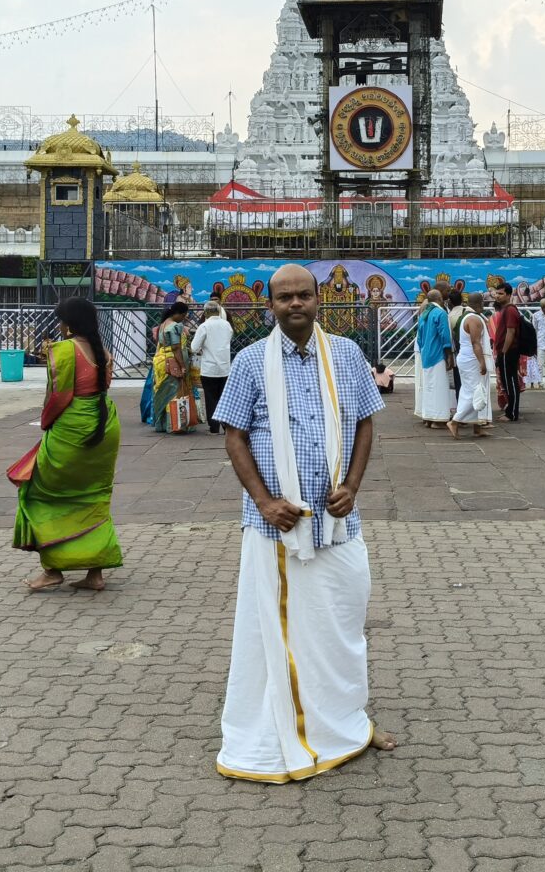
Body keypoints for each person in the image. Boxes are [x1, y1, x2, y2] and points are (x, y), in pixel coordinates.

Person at [213, 264, 394, 781]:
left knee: (342, 623)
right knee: (278, 631)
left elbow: (364, 421)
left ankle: (348, 722)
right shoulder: (250, 362)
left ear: (320, 299)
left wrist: (353, 487)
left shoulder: (346, 354)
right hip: (275, 529)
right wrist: (266, 501)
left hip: (338, 524)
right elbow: (234, 436)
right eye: (285, 297)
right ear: (270, 305)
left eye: (304, 296)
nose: (296, 304)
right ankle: (280, 725)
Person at [9, 297, 122, 592]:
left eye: (60, 321)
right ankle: (95, 573)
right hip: (104, 425)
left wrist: (45, 423)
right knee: (94, 497)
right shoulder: (103, 351)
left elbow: (58, 396)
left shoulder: (65, 350)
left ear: (69, 324)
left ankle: (52, 569)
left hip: (73, 428)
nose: (58, 326)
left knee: (39, 492)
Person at [449, 292, 494, 439]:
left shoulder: (467, 317)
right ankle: (455, 421)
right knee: (475, 392)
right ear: (480, 304)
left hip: (468, 359)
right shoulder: (474, 319)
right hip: (472, 360)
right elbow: (476, 343)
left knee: (470, 391)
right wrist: (482, 362)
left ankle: (477, 426)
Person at [152, 302, 197, 433]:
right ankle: (175, 425)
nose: (184, 318)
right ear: (179, 314)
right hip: (173, 362)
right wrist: (182, 366)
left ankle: (162, 424)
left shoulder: (163, 324)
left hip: (161, 360)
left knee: (162, 392)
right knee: (175, 393)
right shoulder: (176, 326)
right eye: (184, 315)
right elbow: (176, 347)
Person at [191, 301, 235, 435]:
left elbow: (194, 347)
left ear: (206, 313)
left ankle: (214, 427)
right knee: (224, 398)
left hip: (209, 368)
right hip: (225, 367)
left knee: (211, 398)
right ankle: (227, 424)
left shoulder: (204, 326)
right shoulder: (226, 325)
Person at [413, 291, 454, 428]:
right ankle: (438, 419)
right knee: (439, 387)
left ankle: (428, 417)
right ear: (440, 298)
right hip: (437, 355)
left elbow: (419, 338)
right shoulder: (440, 313)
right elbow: (444, 335)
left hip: (426, 354)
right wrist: (449, 354)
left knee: (429, 387)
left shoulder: (424, 313)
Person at [490, 285, 521, 422]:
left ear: (509, 295)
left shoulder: (509, 311)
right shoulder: (506, 310)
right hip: (506, 350)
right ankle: (510, 411)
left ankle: (512, 413)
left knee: (511, 382)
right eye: (497, 293)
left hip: (508, 351)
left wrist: (503, 351)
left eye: (501, 293)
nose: (497, 296)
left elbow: (511, 331)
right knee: (507, 381)